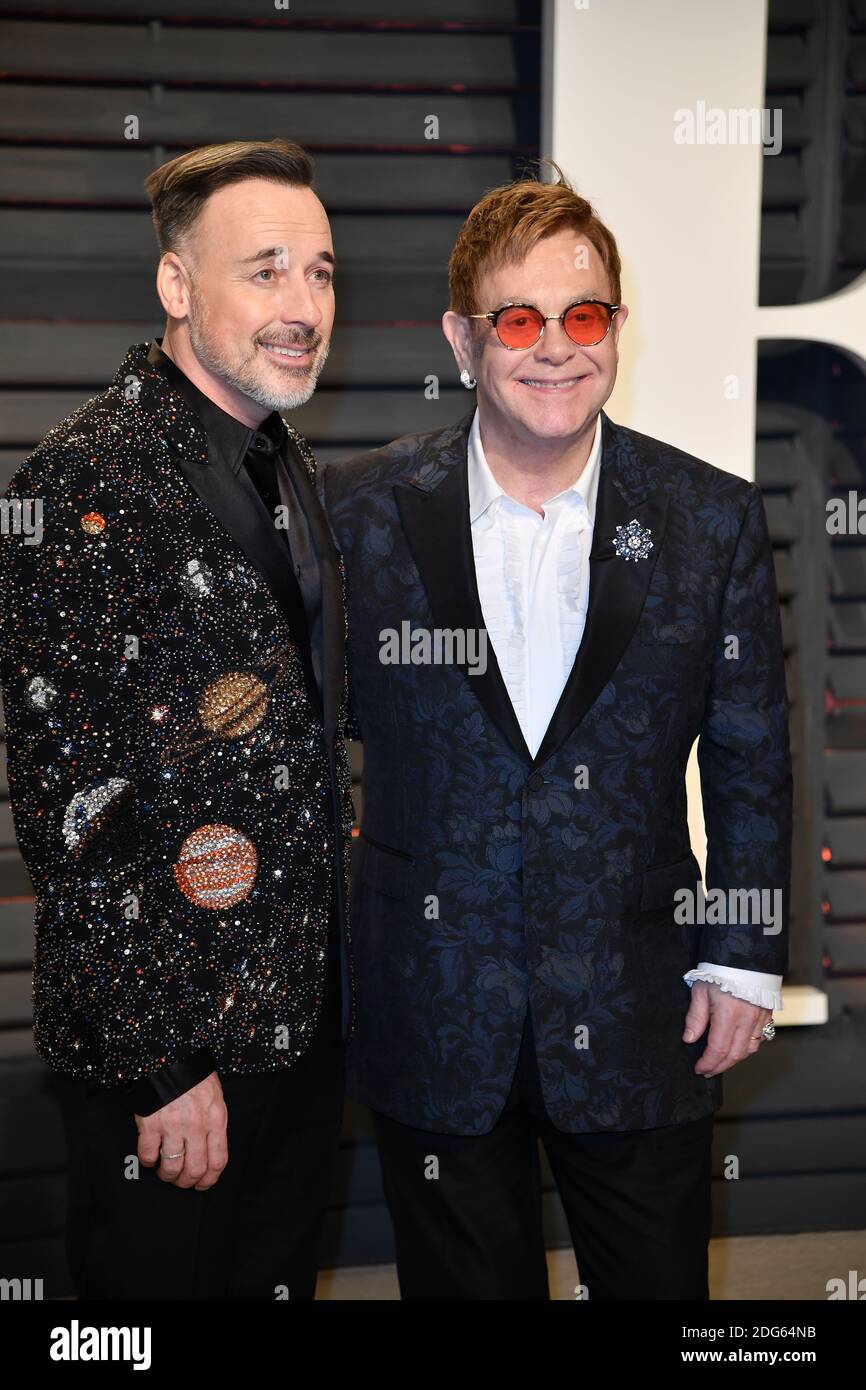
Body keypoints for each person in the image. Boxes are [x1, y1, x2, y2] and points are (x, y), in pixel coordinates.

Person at [320, 165, 792, 1300]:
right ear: (462, 335)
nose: (553, 347)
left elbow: (748, 756)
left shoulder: (709, 518)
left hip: (641, 1007)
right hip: (430, 998)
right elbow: (294, 744)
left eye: (582, 316)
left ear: (614, 326)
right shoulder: (358, 512)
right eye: (517, 318)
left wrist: (742, 958)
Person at [0, 139, 355, 1300]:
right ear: (175, 285)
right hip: (168, 1059)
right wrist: (163, 1062)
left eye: (320, 271)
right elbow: (70, 806)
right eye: (263, 271)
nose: (302, 306)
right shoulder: (78, 480)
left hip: (292, 1029)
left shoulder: (282, 459)